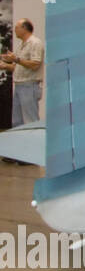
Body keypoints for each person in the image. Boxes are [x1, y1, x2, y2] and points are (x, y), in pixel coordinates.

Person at [2, 19, 44, 164]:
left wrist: (17, 59)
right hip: (19, 85)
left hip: (29, 86)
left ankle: (32, 155)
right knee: (17, 122)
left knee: (30, 121)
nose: (15, 29)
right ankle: (18, 153)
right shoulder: (21, 45)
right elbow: (17, 67)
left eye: (17, 27)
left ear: (25, 28)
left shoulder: (35, 43)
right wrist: (5, 65)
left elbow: (35, 64)